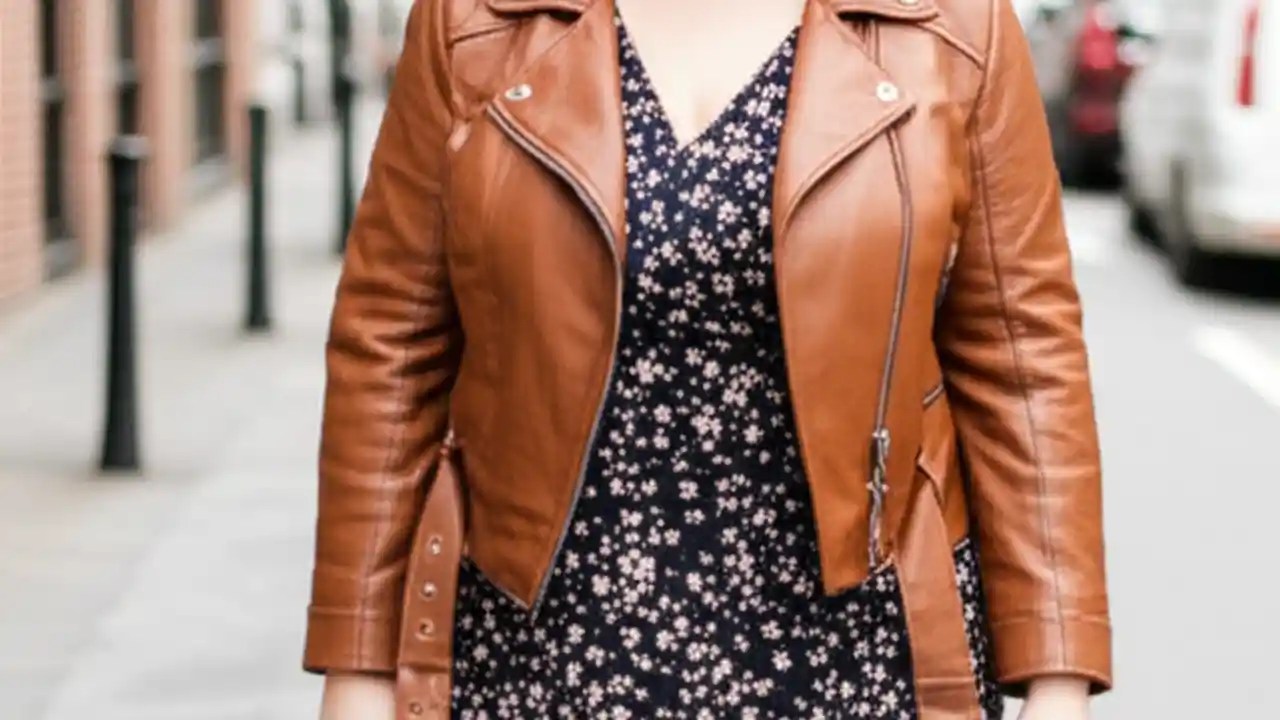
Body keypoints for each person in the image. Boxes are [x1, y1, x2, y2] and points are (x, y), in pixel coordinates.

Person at [303, 0, 1113, 717]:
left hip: (858, 660)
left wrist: (1057, 673)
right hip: (538, 655)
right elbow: (392, 344)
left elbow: (1023, 356)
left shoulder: (950, 24)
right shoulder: (475, 21)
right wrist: (360, 659)